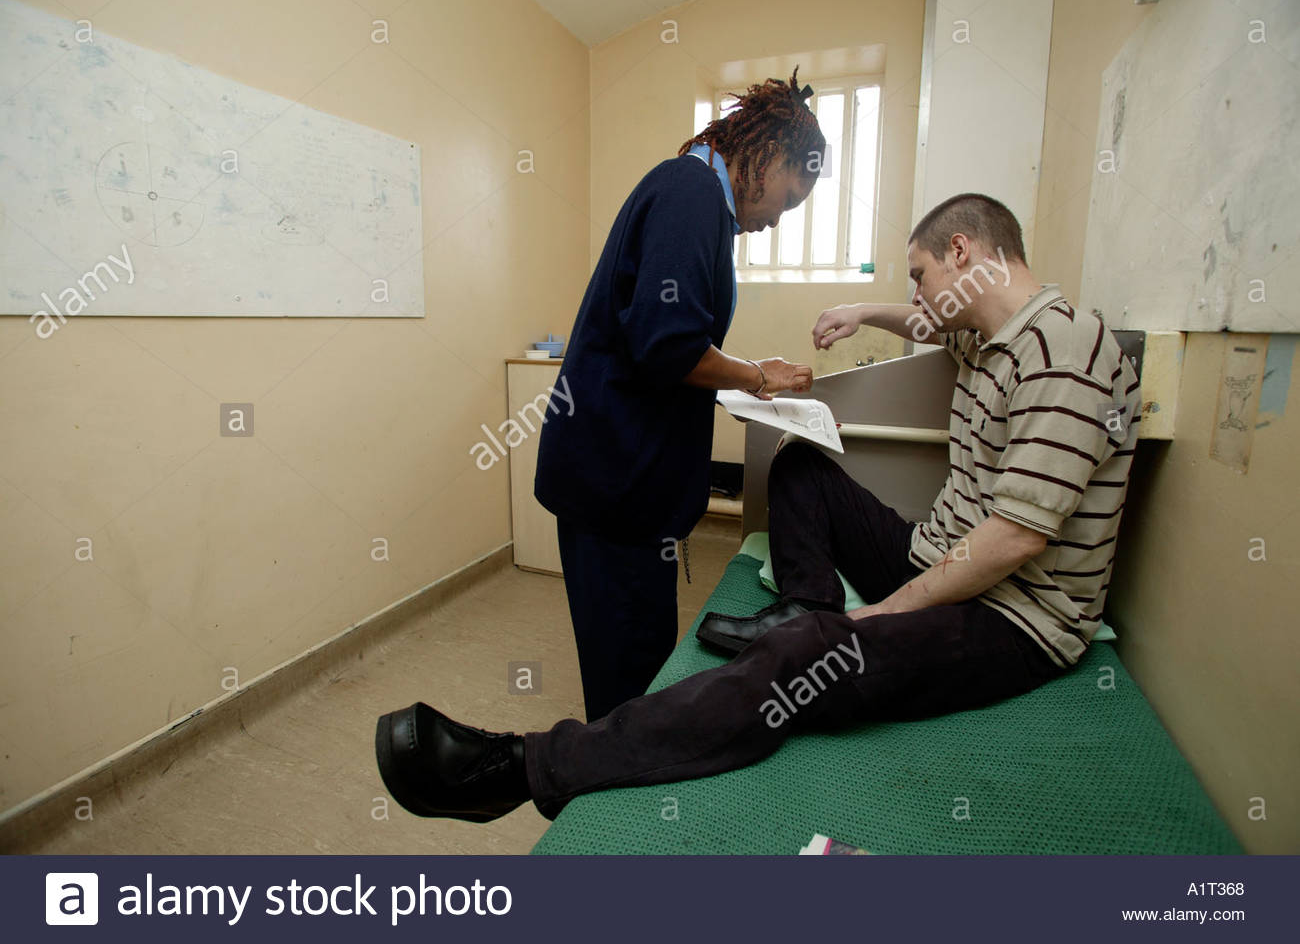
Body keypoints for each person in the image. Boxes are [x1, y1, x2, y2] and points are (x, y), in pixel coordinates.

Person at [373, 193, 1141, 826]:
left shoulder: (1065, 352)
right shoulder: (991, 334)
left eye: (919, 274)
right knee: (801, 465)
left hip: (1016, 617)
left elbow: (1012, 540)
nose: (916, 295)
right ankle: (805, 604)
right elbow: (926, 324)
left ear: (965, 254)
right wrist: (861, 309)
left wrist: (883, 615)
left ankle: (517, 768)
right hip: (936, 548)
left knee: (805, 657)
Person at [527, 70, 822, 722]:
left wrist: (749, 373)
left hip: (622, 486)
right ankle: (608, 801)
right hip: (615, 488)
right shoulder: (691, 193)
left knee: (638, 660)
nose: (776, 220)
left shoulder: (690, 193)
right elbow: (667, 345)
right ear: (769, 156)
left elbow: (666, 343)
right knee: (628, 682)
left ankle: (617, 775)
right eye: (788, 201)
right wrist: (755, 376)